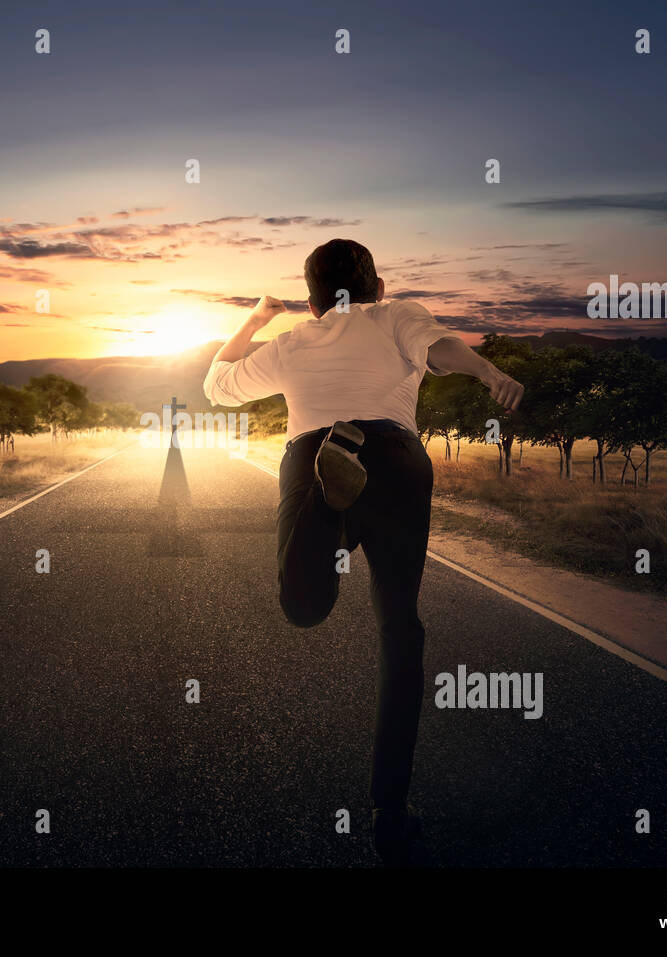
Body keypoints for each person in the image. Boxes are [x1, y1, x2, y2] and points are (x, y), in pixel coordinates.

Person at [202, 238, 523, 867]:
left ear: (313, 302)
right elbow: (441, 348)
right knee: (400, 627)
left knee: (303, 607)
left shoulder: (293, 341)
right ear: (377, 288)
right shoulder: (396, 315)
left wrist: (256, 319)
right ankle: (389, 810)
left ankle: (329, 503)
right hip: (397, 460)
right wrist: (489, 373)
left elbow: (217, 386)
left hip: (313, 452)